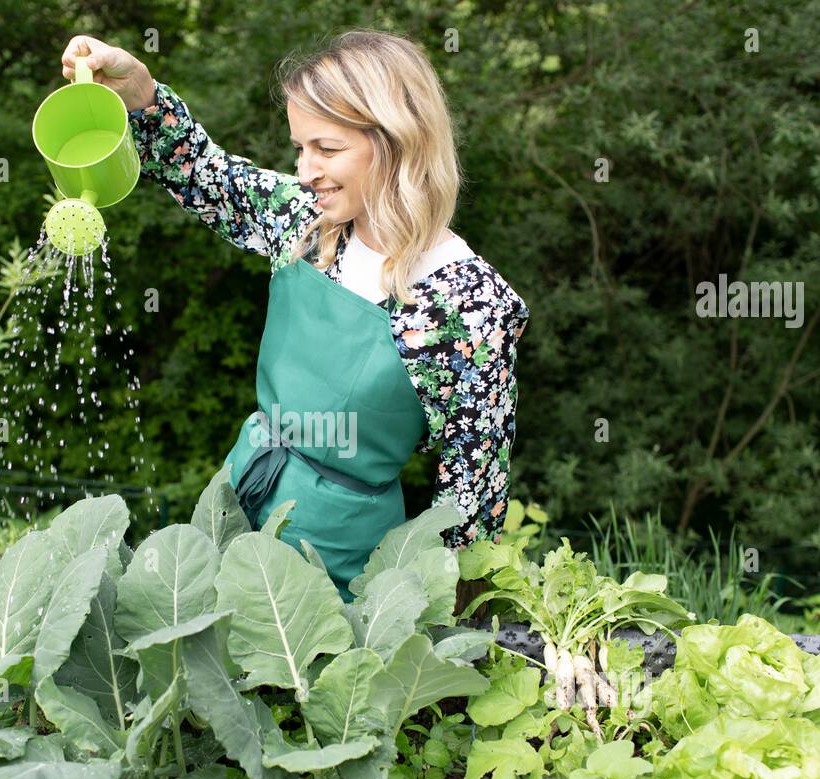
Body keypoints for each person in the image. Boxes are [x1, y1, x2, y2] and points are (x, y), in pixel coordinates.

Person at [60, 29, 529, 601]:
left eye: (327, 149)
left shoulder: (466, 302)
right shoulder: (310, 224)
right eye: (299, 148)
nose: (307, 171)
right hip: (239, 497)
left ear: (399, 141)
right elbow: (203, 173)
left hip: (334, 564)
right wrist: (139, 93)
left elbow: (471, 496)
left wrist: (442, 617)